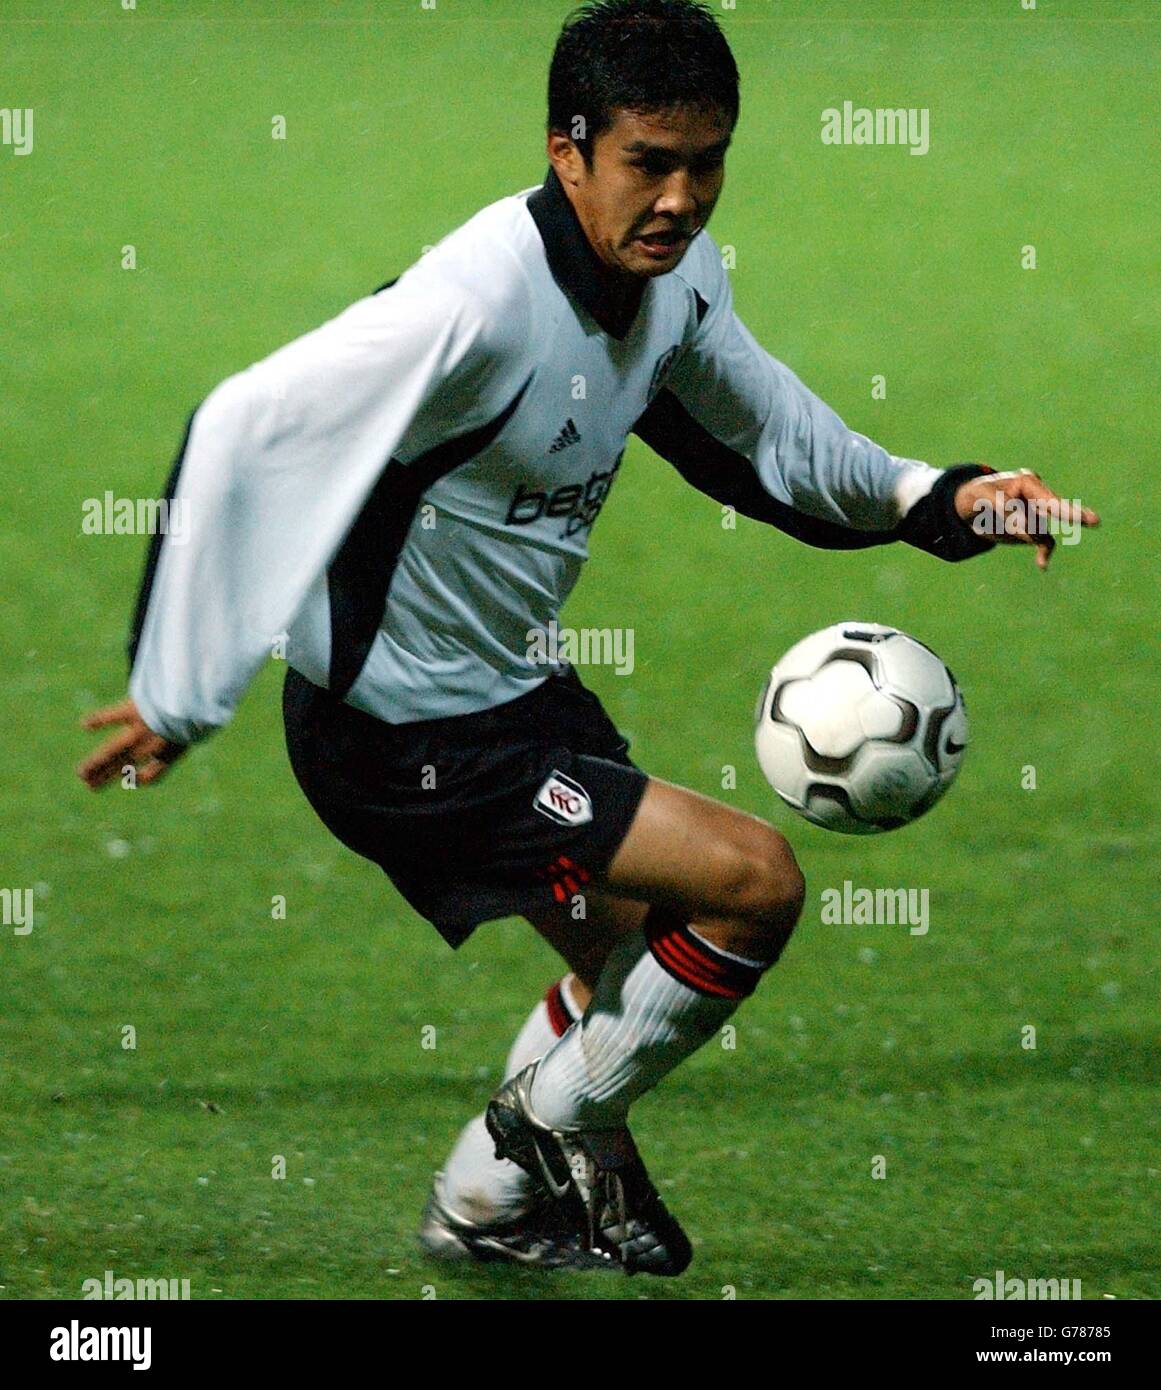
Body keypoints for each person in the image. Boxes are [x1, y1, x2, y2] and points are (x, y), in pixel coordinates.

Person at [78, 0, 1098, 1277]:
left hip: (515, 695)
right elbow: (241, 421)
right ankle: (544, 1126)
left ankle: (485, 1204)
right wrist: (179, 690)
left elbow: (772, 441)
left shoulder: (670, 286)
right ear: (568, 151)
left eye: (707, 161)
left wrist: (936, 497)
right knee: (751, 884)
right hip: (402, 736)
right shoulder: (473, 306)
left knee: (641, 954)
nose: (680, 198)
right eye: (648, 164)